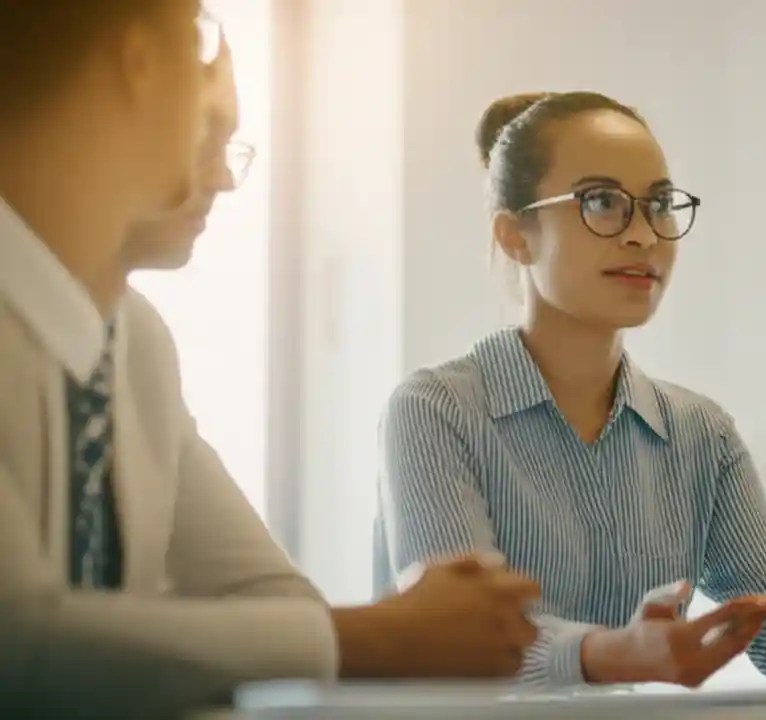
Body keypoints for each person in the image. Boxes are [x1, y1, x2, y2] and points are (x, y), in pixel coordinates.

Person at [0, 6, 537, 718]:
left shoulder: (135, 344)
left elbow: (269, 596)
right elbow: (21, 647)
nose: (219, 172)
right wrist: (376, 637)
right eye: (206, 103)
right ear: (138, 66)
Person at [377, 91, 766, 690]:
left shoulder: (701, 433)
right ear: (516, 235)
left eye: (660, 205)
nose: (644, 235)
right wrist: (614, 653)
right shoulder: (435, 411)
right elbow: (463, 640)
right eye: (601, 202)